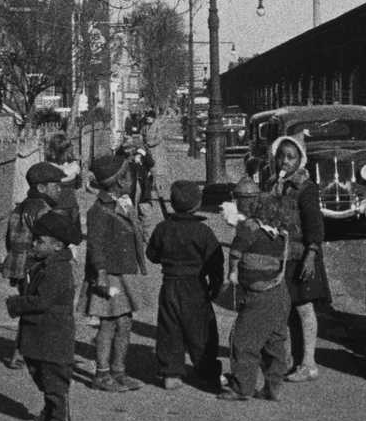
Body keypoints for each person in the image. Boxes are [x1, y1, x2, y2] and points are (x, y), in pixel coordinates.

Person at [5, 212, 79, 421]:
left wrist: (16, 303)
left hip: (53, 333)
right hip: (40, 331)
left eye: (40, 241)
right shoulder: (43, 264)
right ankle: (49, 413)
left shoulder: (58, 269)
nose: (34, 244)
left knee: (54, 378)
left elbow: (43, 300)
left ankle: (60, 420)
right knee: (40, 373)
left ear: (57, 246)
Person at [145, 180, 223, 390]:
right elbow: (216, 262)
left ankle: (171, 372)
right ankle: (206, 371)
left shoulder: (163, 228)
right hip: (195, 286)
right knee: (201, 330)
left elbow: (152, 255)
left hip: (170, 285)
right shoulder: (203, 231)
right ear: (197, 204)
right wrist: (216, 285)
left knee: (170, 328)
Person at [1, 162, 79, 370]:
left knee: (29, 303)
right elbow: (49, 239)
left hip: (18, 263)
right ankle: (24, 352)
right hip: (32, 265)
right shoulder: (42, 210)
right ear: (42, 188)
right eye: (56, 186)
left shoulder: (21, 206)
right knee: (34, 305)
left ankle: (21, 351)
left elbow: (8, 239)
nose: (60, 190)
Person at [267, 134, 330, 382]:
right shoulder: (274, 184)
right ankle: (291, 359)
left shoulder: (306, 188)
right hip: (281, 256)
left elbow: (314, 224)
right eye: (281, 156)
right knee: (287, 308)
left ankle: (309, 363)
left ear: (300, 160)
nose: (284, 161)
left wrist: (311, 254)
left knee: (304, 308)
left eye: (290, 157)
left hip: (300, 257)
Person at [84, 153, 147, 392]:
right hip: (109, 274)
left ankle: (119, 370)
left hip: (123, 272)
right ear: (120, 181)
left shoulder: (124, 202)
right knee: (108, 324)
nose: (133, 182)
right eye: (130, 177)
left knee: (125, 323)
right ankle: (102, 373)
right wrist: (100, 273)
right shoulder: (99, 210)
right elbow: (95, 245)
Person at [220, 190, 291, 401]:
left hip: (259, 294)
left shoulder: (251, 229)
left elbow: (235, 253)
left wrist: (232, 272)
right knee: (274, 342)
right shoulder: (281, 234)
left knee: (243, 339)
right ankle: (274, 386)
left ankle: (242, 387)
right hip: (280, 293)